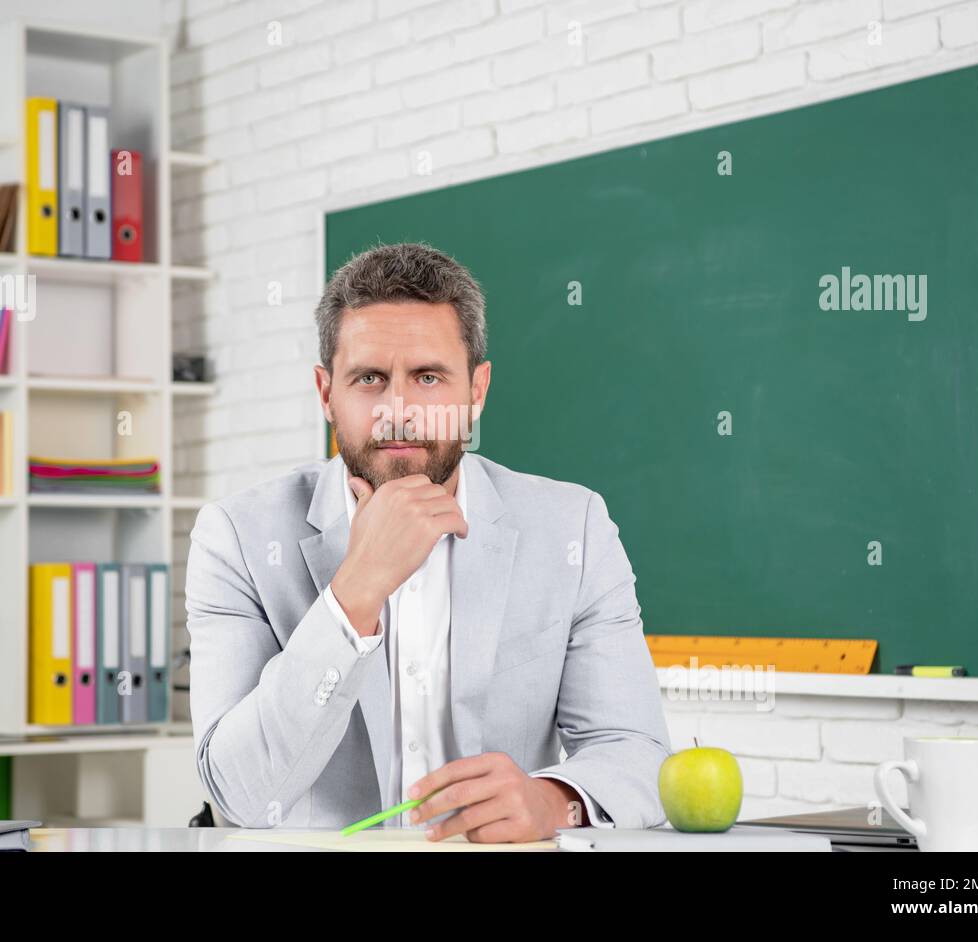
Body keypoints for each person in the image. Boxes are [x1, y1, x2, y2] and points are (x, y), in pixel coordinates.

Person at [186, 242, 671, 842]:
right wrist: (355, 591)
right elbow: (235, 795)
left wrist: (555, 800)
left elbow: (638, 751)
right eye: (369, 378)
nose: (399, 411)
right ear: (325, 393)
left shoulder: (574, 529)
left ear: (477, 391)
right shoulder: (237, 538)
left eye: (428, 377)